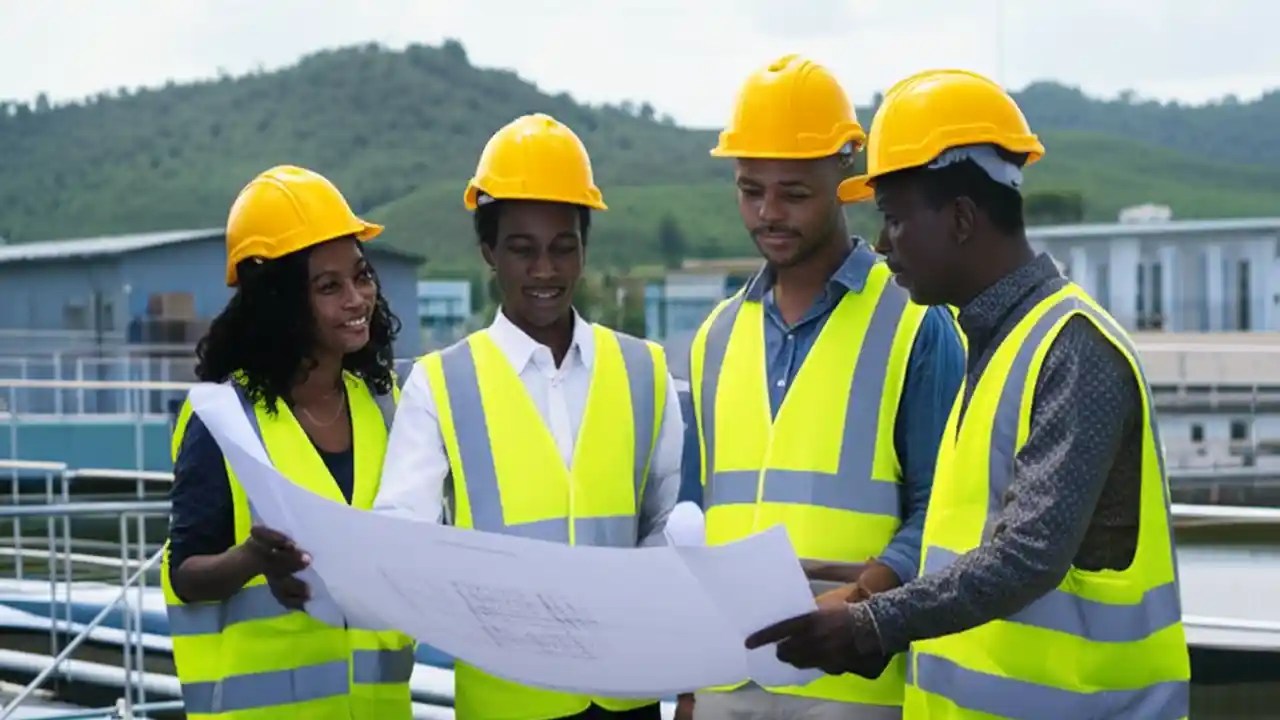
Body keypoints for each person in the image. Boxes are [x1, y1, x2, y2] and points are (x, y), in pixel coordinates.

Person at [745, 69, 1191, 720]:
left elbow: (1028, 556)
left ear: (960, 218)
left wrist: (875, 624)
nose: (883, 243)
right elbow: (972, 548)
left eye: (895, 219)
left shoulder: (1073, 350)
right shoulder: (990, 344)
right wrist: (875, 586)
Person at [373, 112, 684, 720]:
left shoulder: (645, 372)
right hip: (507, 703)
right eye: (522, 250)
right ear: (489, 250)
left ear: (583, 247)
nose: (545, 271)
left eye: (562, 248)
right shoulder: (440, 385)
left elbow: (666, 526)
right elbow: (402, 540)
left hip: (630, 693)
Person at [682, 54, 966, 720]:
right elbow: (693, 524)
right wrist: (690, 685)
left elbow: (948, 513)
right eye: (751, 189)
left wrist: (864, 597)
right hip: (727, 683)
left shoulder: (915, 324)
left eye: (794, 192)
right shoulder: (714, 337)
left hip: (855, 688)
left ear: (845, 179)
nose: (768, 212)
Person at [160, 164, 416, 719]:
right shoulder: (222, 417)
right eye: (329, 287)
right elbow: (186, 574)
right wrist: (252, 558)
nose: (357, 299)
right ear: (278, 302)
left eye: (361, 276)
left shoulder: (386, 405)